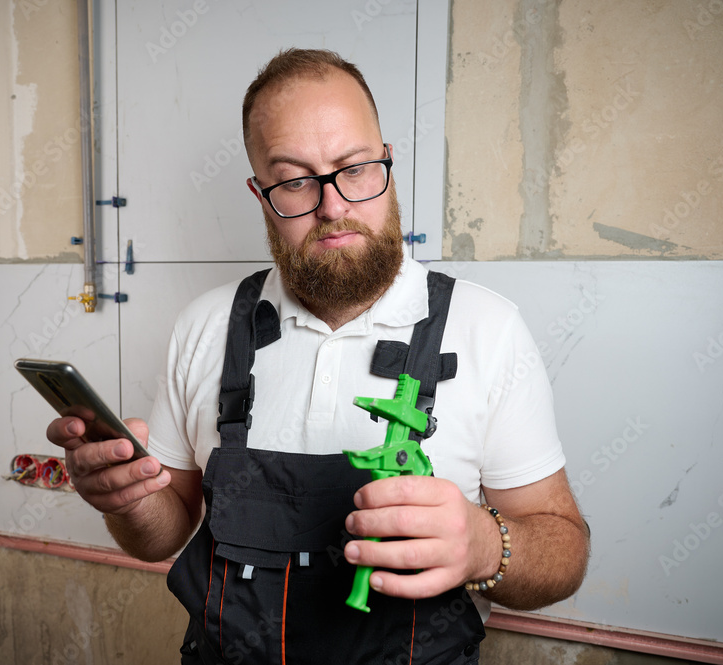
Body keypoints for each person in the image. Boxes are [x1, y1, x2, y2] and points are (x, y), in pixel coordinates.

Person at [48, 48, 589, 664]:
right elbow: (162, 535)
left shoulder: (489, 328)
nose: (333, 206)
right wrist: (128, 499)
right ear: (260, 193)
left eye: (355, 168)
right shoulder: (204, 327)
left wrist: (486, 546)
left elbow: (564, 552)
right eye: (296, 180)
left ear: (386, 161)